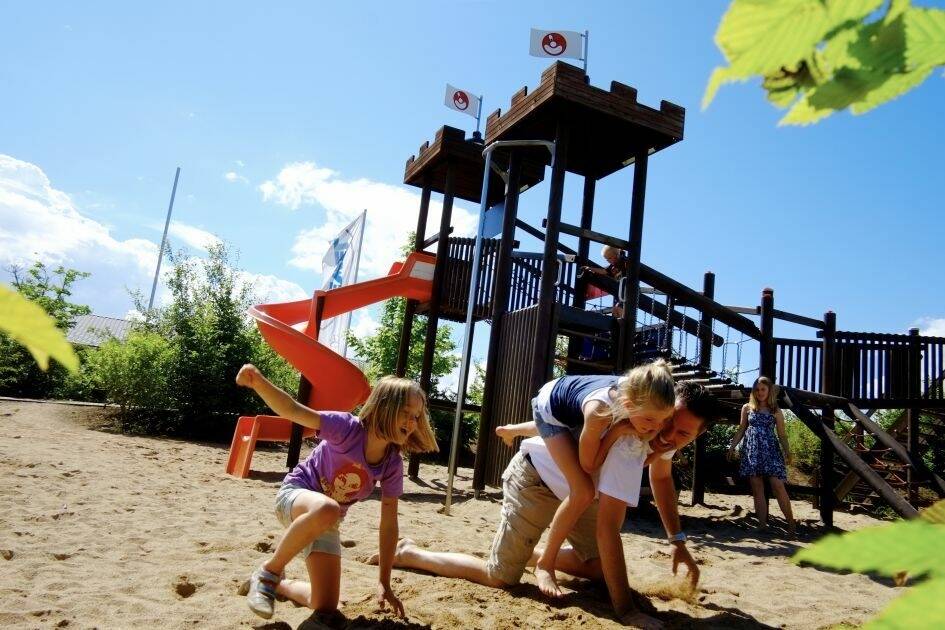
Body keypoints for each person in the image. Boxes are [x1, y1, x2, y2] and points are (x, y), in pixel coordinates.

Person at [373, 381, 720, 626]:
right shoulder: (636, 429)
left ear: (697, 435)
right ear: (661, 406)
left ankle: (535, 556)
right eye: (668, 423)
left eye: (682, 434)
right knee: (501, 578)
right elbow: (608, 529)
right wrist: (627, 612)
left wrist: (677, 541)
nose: (667, 435)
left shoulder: (662, 431)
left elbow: (661, 477)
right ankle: (410, 554)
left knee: (602, 570)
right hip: (537, 480)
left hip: (578, 490)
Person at [234, 364, 439, 620]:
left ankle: (279, 586)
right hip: (295, 496)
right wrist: (258, 382)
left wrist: (384, 582)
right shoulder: (346, 428)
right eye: (406, 412)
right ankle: (268, 571)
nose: (412, 422)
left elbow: (389, 524)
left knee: (325, 603)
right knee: (328, 509)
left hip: (326, 522)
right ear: (383, 407)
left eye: (417, 416)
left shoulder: (392, 463)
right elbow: (294, 410)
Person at [533, 360, 677, 598]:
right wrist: (617, 431)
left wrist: (657, 448)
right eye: (650, 420)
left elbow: (641, 460)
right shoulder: (599, 411)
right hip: (549, 409)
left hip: (577, 402)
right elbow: (588, 464)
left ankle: (513, 429)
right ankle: (545, 563)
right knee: (583, 492)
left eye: (663, 420)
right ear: (628, 405)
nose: (657, 428)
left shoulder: (640, 397)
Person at [727, 376, 796, 533]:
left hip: (771, 451)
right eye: (757, 389)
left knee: (778, 486)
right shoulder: (747, 408)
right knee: (757, 488)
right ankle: (762, 524)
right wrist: (732, 446)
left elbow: (782, 435)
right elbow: (741, 429)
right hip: (752, 451)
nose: (760, 392)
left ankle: (791, 524)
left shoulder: (775, 410)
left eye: (763, 389)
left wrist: (788, 451)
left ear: (769, 390)